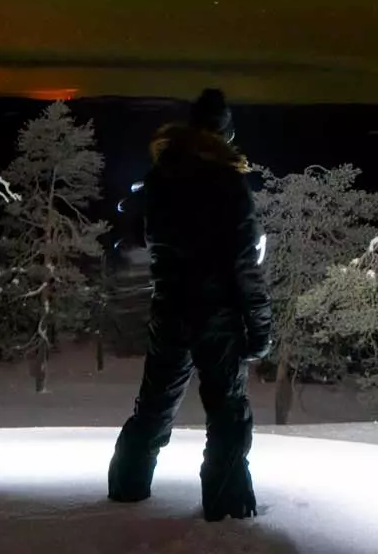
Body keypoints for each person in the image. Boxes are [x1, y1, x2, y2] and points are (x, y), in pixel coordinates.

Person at [108, 88, 273, 518]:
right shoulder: (228, 182)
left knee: (154, 408)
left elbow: (150, 240)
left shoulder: (161, 177)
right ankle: (227, 507)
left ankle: (126, 490)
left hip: (169, 309)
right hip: (216, 314)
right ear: (225, 135)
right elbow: (244, 262)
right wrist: (259, 326)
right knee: (228, 413)